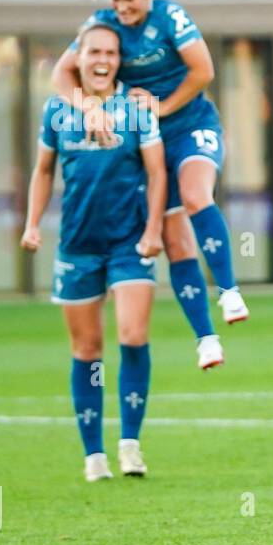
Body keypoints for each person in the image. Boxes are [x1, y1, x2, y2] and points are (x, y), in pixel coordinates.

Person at [51, 0, 246, 373]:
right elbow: (61, 73)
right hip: (151, 141)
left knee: (198, 195)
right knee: (176, 243)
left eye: (131, 0)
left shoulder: (170, 15)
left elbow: (203, 71)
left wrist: (160, 106)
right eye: (117, 0)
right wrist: (88, 107)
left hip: (190, 123)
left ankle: (230, 290)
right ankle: (206, 339)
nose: (123, 8)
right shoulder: (103, 24)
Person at [21, 23, 166, 481]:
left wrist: (153, 229)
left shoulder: (138, 109)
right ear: (77, 59)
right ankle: (93, 455)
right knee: (87, 348)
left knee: (133, 334)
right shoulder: (57, 111)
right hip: (77, 247)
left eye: (111, 52)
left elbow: (158, 173)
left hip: (129, 243)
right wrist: (31, 224)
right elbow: (44, 171)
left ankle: (130, 445)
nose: (103, 60)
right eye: (94, 52)